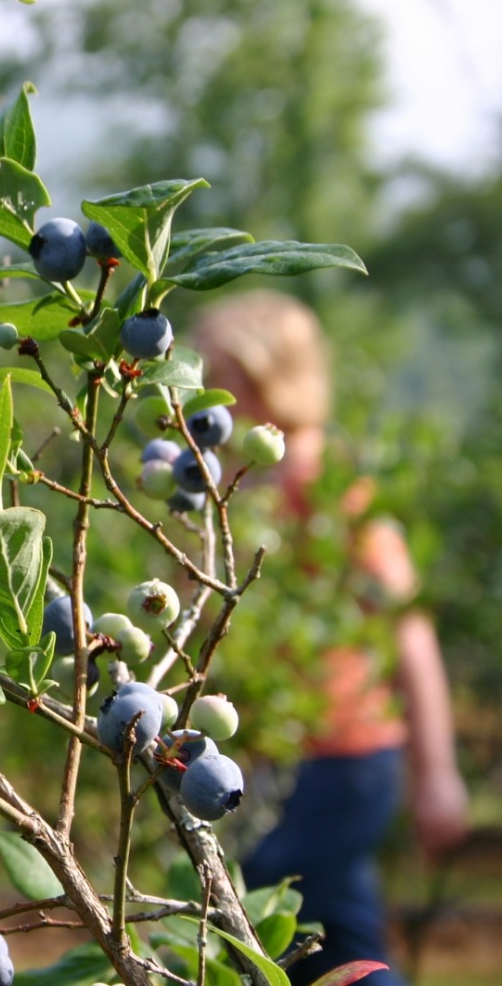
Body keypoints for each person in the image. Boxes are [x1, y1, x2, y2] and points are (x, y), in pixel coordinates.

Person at [190, 291, 469, 986]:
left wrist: (435, 775)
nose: (201, 395)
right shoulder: (235, 493)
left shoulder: (336, 496)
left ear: (266, 376)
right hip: (274, 757)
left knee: (292, 911)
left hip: (347, 757)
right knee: (331, 926)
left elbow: (409, 635)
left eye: (218, 374)